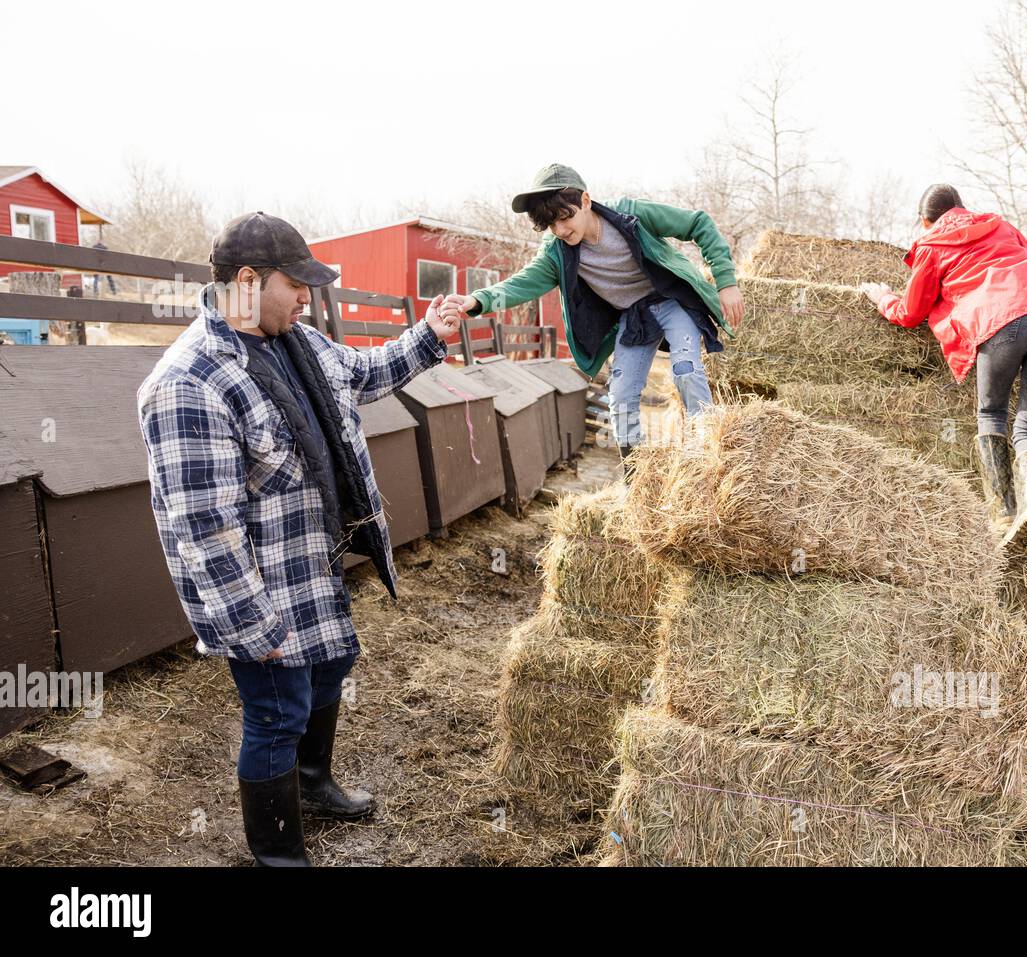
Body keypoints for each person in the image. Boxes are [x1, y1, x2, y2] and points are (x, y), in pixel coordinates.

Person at [137, 212, 459, 866]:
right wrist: (257, 625)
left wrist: (429, 335)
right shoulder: (189, 382)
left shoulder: (299, 342)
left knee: (332, 669)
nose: (309, 296)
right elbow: (205, 527)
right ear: (249, 281)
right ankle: (278, 854)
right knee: (278, 714)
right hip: (259, 591)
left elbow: (367, 373)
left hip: (313, 565)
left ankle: (312, 786)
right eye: (299, 283)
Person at [437, 164, 745, 473]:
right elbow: (522, 283)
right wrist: (477, 300)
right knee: (620, 398)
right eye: (550, 224)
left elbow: (698, 224)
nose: (560, 230)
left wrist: (726, 282)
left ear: (585, 201)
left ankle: (707, 460)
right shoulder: (557, 252)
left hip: (670, 301)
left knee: (685, 370)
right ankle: (638, 480)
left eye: (565, 217)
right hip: (634, 318)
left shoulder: (629, 215)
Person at [861, 184, 1027, 549]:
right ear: (962, 207)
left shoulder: (931, 244)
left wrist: (882, 297)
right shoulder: (1000, 226)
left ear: (925, 221)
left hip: (1003, 319)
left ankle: (1004, 514)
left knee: (992, 414)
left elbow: (911, 312)